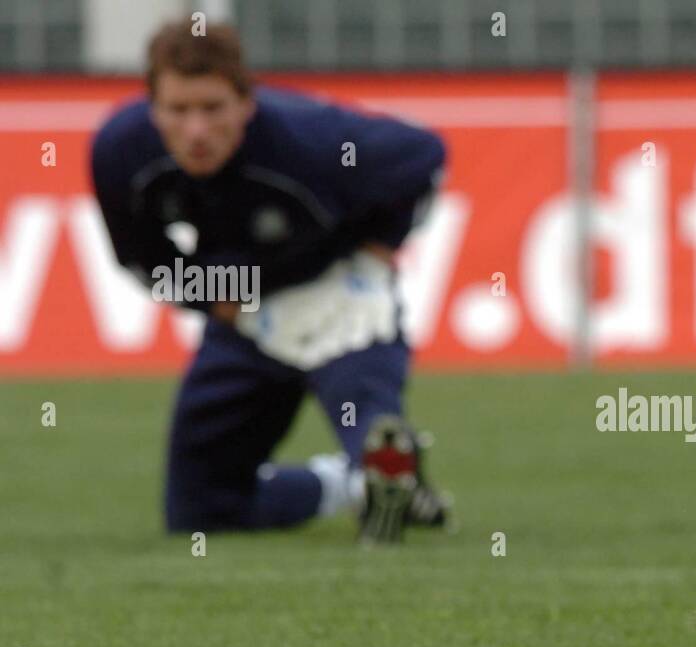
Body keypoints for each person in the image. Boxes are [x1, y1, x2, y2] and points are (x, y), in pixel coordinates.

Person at [91, 20, 450, 543]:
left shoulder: (314, 139)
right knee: (198, 512)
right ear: (152, 107)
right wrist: (217, 304)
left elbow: (425, 154)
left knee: (367, 411)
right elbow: (142, 258)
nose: (196, 130)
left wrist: (376, 254)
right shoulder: (120, 152)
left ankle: (382, 465)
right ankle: (352, 486)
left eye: (212, 108)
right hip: (244, 304)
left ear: (246, 103)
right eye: (179, 109)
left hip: (333, 288)